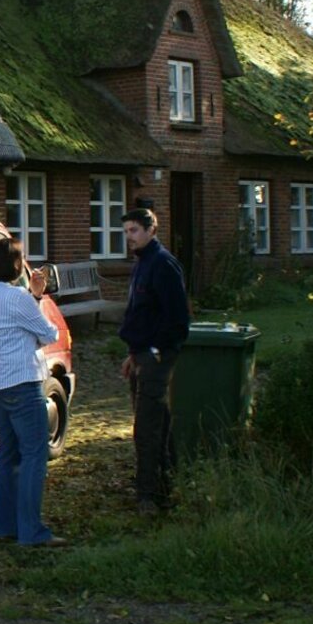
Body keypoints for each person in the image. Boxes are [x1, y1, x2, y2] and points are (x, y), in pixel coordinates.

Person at [0, 237, 64, 547]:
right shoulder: (18, 299)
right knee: (34, 456)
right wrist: (36, 297)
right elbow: (49, 332)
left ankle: (4, 525)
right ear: (15, 265)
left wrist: (33, 297)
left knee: (6, 455)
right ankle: (32, 531)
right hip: (24, 382)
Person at [118, 207, 190, 514]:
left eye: (134, 231)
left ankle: (148, 495)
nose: (129, 238)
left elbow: (178, 319)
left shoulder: (163, 265)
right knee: (158, 421)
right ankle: (167, 484)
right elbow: (141, 314)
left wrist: (155, 353)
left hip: (157, 356)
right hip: (142, 354)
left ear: (151, 230)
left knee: (147, 426)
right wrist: (134, 354)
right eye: (126, 232)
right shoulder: (141, 264)